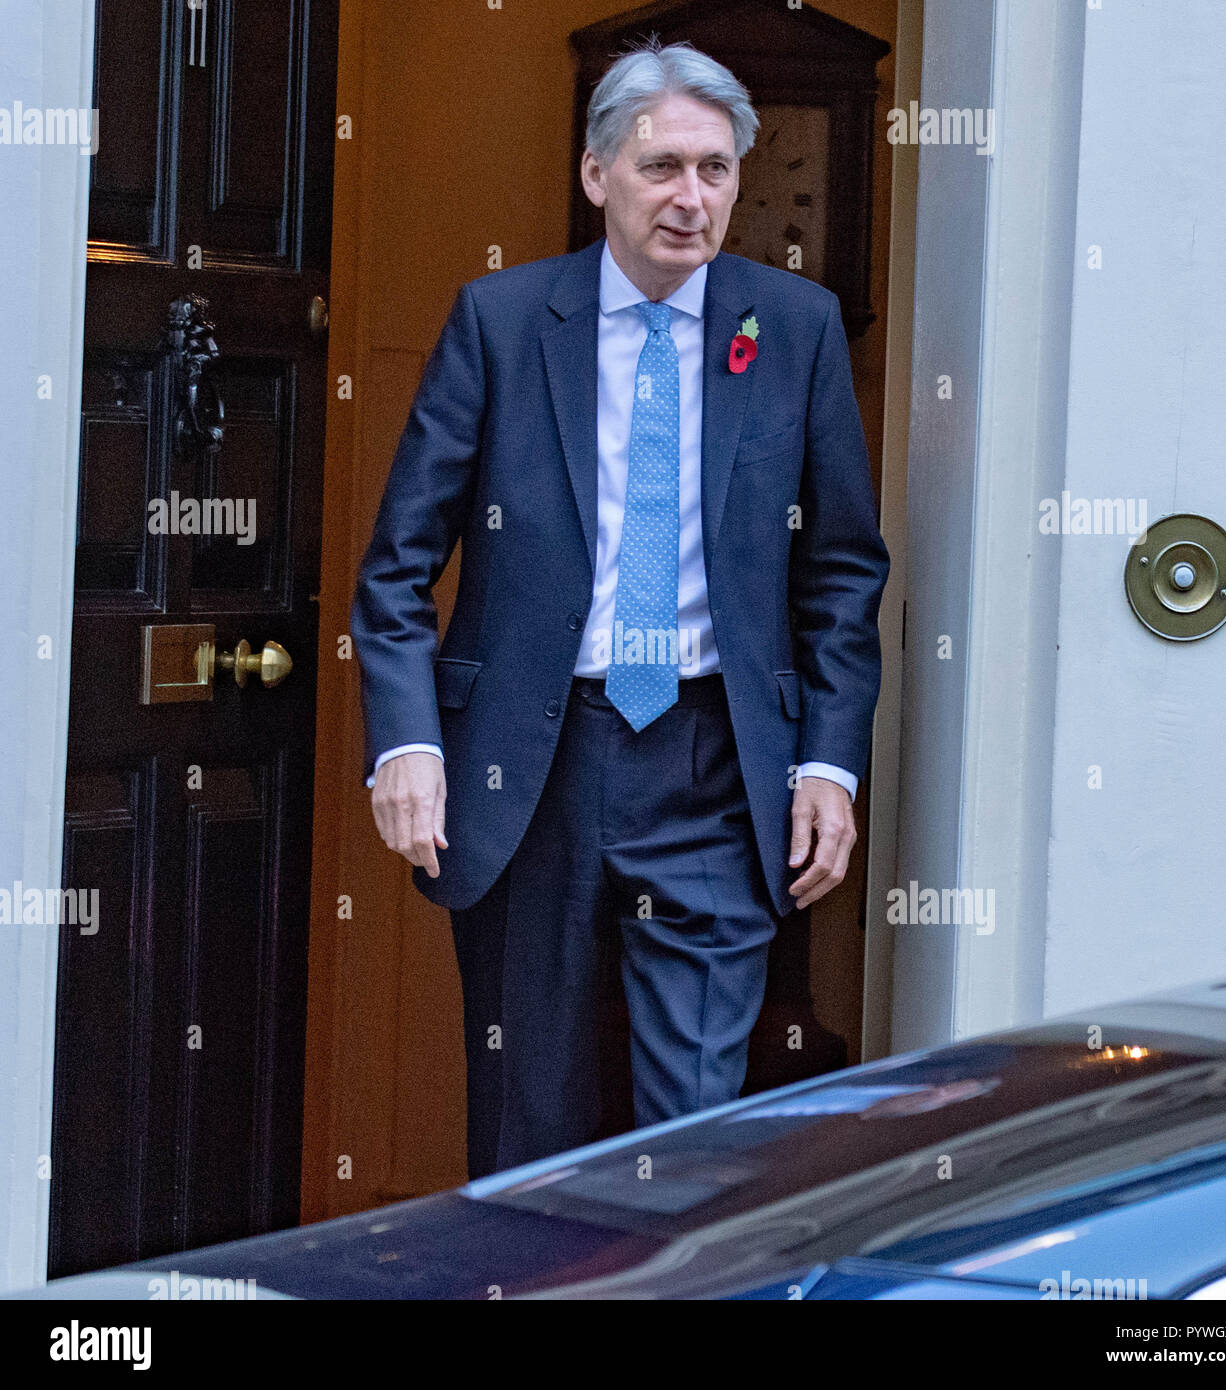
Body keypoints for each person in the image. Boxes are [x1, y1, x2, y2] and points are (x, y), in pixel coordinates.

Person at [351, 38, 889, 1179]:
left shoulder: (791, 329)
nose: (691, 198)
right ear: (598, 173)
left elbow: (840, 568)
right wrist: (406, 739)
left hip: (712, 768)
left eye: (715, 168)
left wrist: (830, 765)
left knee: (689, 1132)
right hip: (526, 773)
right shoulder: (500, 323)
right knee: (528, 1127)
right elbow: (396, 567)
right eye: (661, 168)